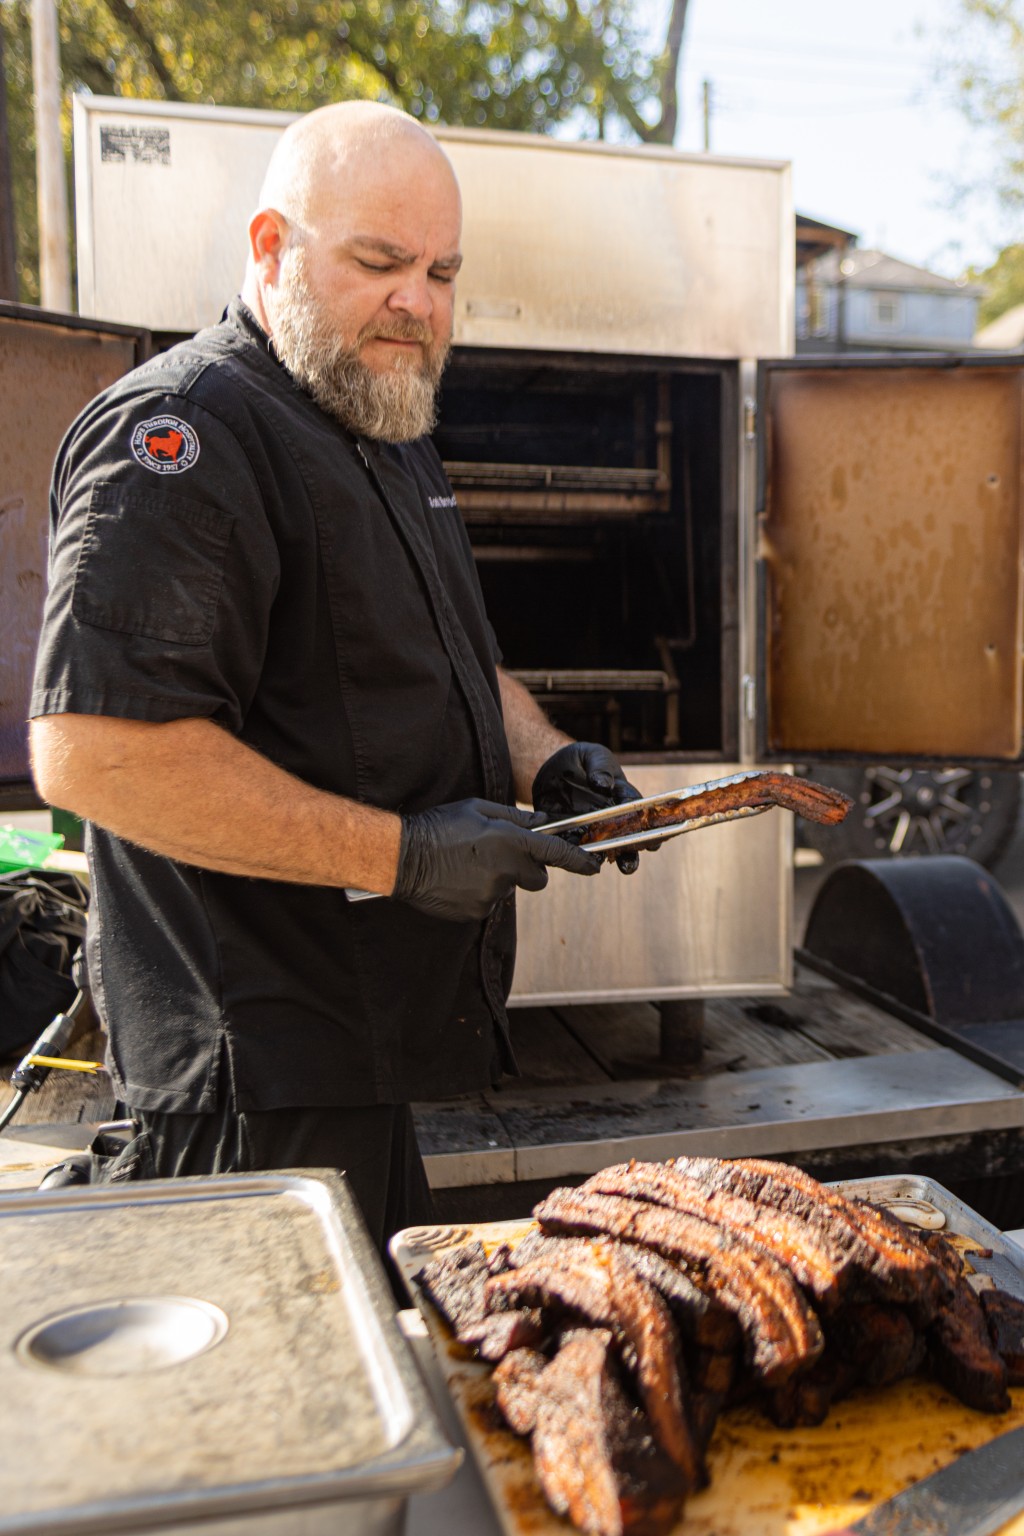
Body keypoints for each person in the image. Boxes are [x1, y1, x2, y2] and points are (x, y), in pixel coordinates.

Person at [29, 101, 641, 1258]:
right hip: (246, 1085)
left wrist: (546, 757)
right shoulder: (184, 433)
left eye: (442, 272)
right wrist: (402, 856)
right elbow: (98, 752)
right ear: (270, 248)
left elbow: (448, 656)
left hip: (361, 1055)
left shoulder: (380, 417)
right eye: (379, 261)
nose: (418, 300)